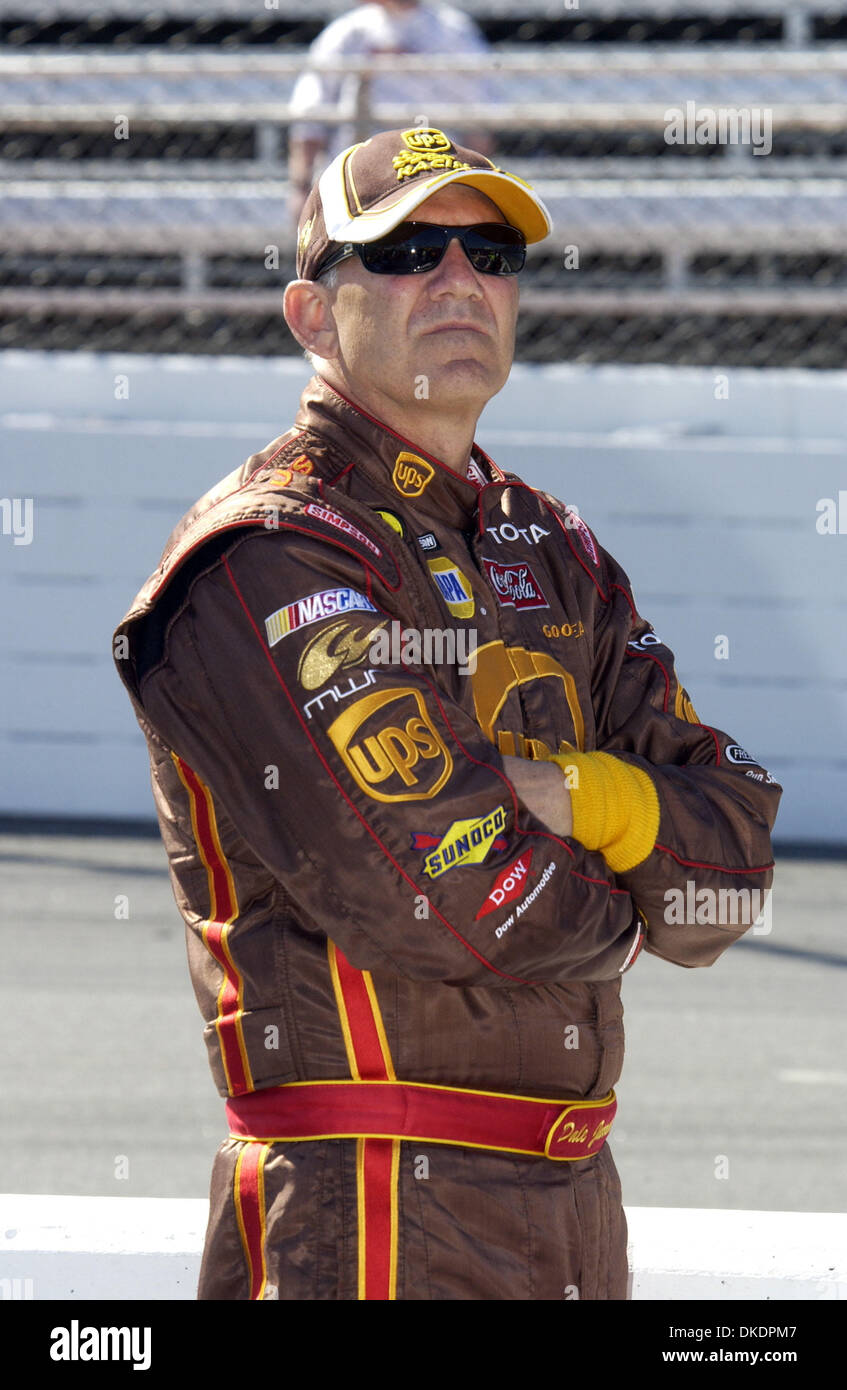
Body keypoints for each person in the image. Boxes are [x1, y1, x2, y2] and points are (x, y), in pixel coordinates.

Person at [114, 126, 781, 1301]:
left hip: (575, 1212)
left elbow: (729, 869)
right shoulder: (267, 551)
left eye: (491, 251)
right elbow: (454, 899)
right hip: (373, 1207)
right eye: (410, 248)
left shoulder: (552, 541)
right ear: (311, 315)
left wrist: (587, 793)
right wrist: (629, 901)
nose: (460, 279)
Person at [288, 0, 493, 221]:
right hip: (357, 184)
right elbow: (310, 114)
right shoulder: (348, 31)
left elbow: (479, 119)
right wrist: (301, 187)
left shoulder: (453, 30)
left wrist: (477, 185)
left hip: (435, 180)